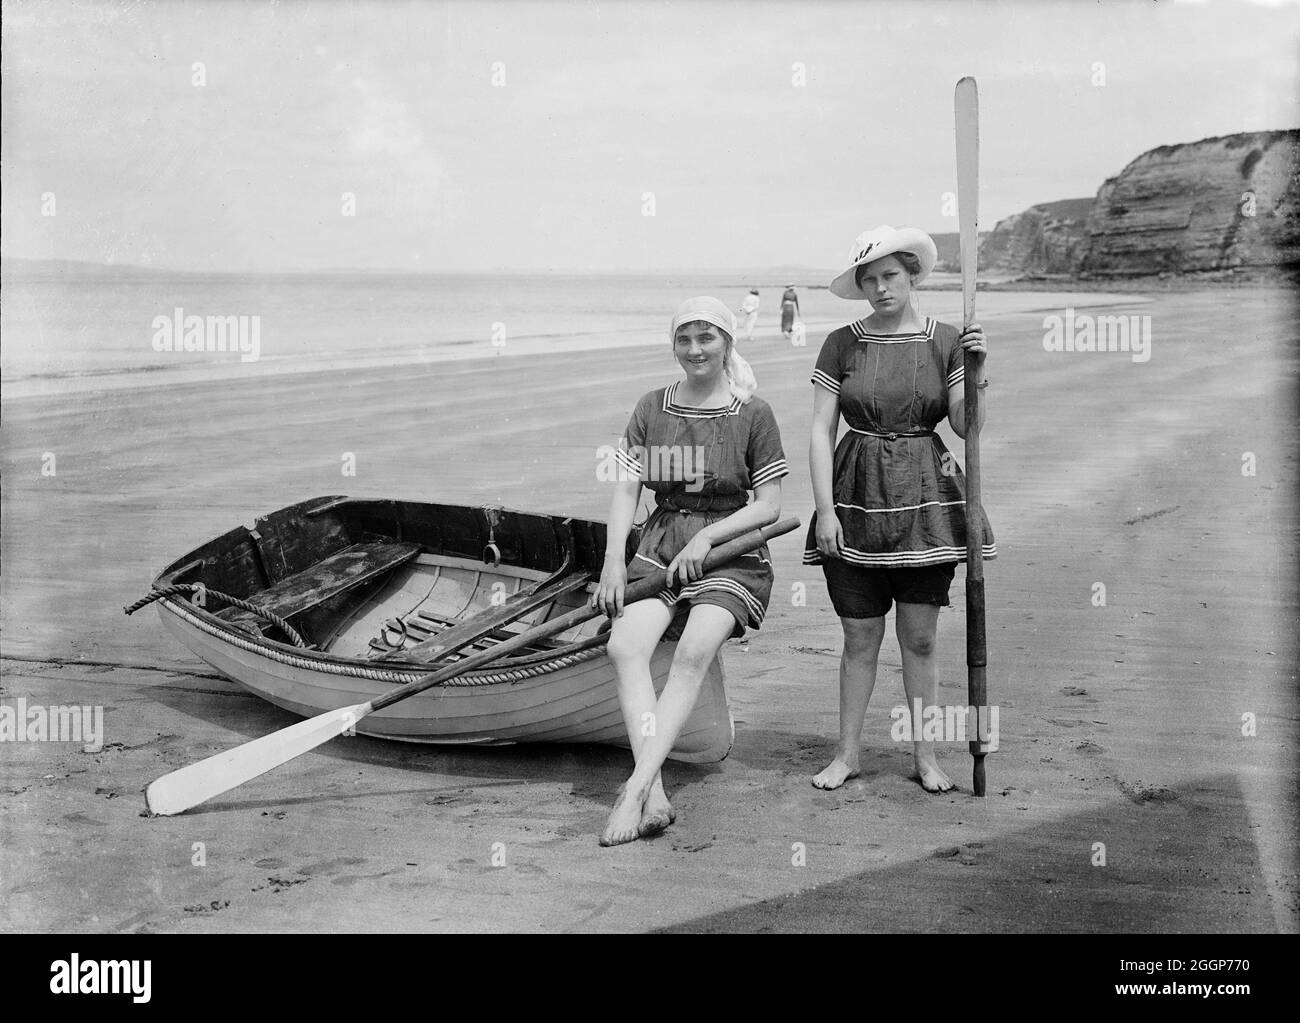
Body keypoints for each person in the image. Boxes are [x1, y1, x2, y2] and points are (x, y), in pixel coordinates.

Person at [805, 226, 995, 794]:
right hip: (854, 494)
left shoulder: (948, 341)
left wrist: (978, 369)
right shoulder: (842, 342)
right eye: (870, 279)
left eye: (891, 276)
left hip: (927, 495)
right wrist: (824, 513)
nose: (881, 288)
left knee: (920, 639)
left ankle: (926, 756)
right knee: (859, 638)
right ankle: (847, 754)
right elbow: (819, 429)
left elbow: (967, 427)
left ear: (913, 275)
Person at [593, 296, 788, 846]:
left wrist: (707, 536)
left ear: (727, 344)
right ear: (673, 345)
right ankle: (655, 794)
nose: (695, 349)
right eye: (685, 339)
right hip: (660, 542)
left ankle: (632, 790)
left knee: (693, 651)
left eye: (707, 338)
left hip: (730, 548)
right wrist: (613, 562)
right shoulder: (652, 406)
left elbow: (769, 505)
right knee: (623, 648)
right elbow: (627, 488)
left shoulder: (754, 413)